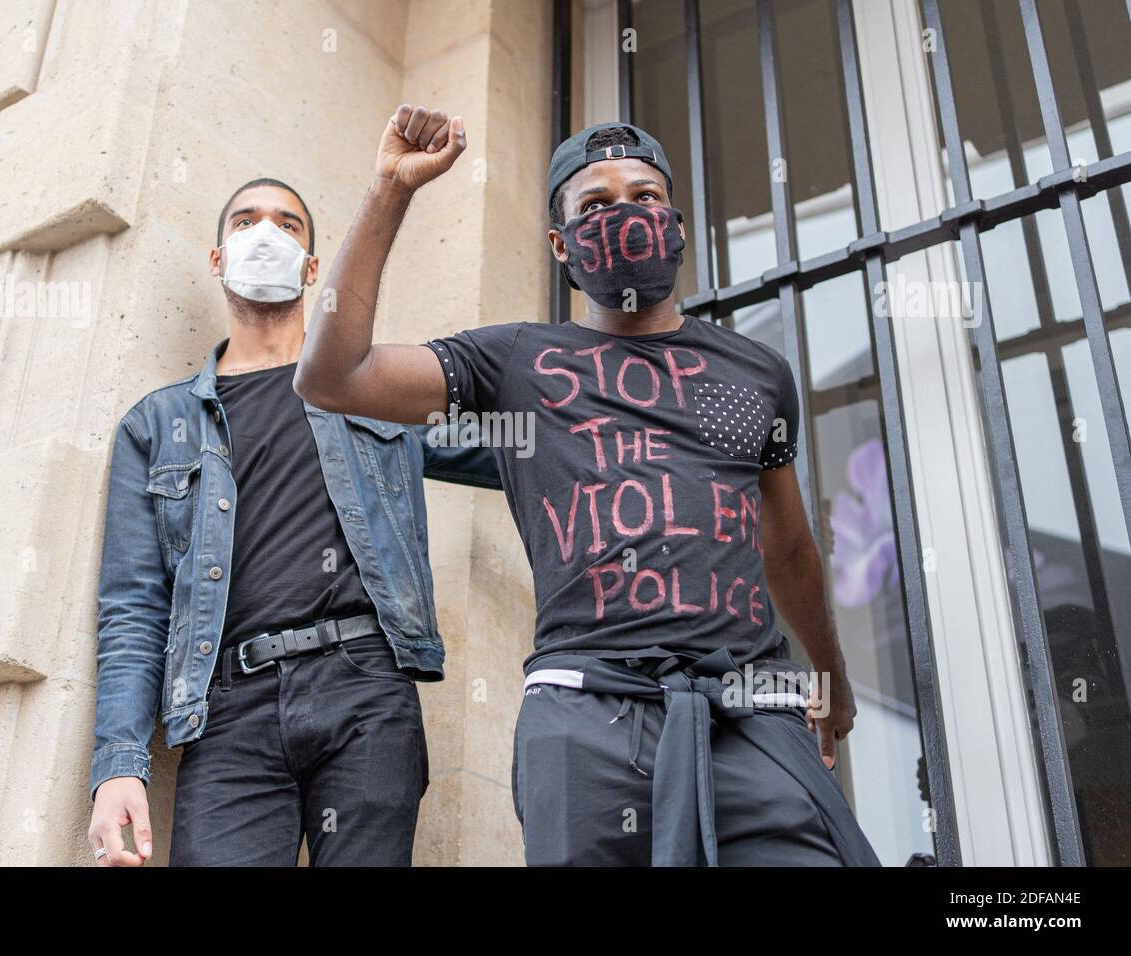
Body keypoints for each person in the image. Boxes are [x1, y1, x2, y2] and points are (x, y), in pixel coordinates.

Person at [293, 105, 880, 866]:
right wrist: (390, 191)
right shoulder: (515, 364)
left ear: (675, 220)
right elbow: (331, 377)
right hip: (582, 719)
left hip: (753, 714)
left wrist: (831, 680)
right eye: (595, 206)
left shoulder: (757, 372)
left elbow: (792, 550)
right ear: (560, 244)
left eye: (644, 196)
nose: (626, 216)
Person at [87, 176, 499, 867]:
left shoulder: (373, 386)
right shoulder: (157, 425)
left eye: (288, 224)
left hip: (364, 684)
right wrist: (119, 764)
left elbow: (513, 445)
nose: (266, 234)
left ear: (313, 268)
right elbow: (132, 608)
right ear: (218, 259)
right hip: (226, 710)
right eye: (245, 221)